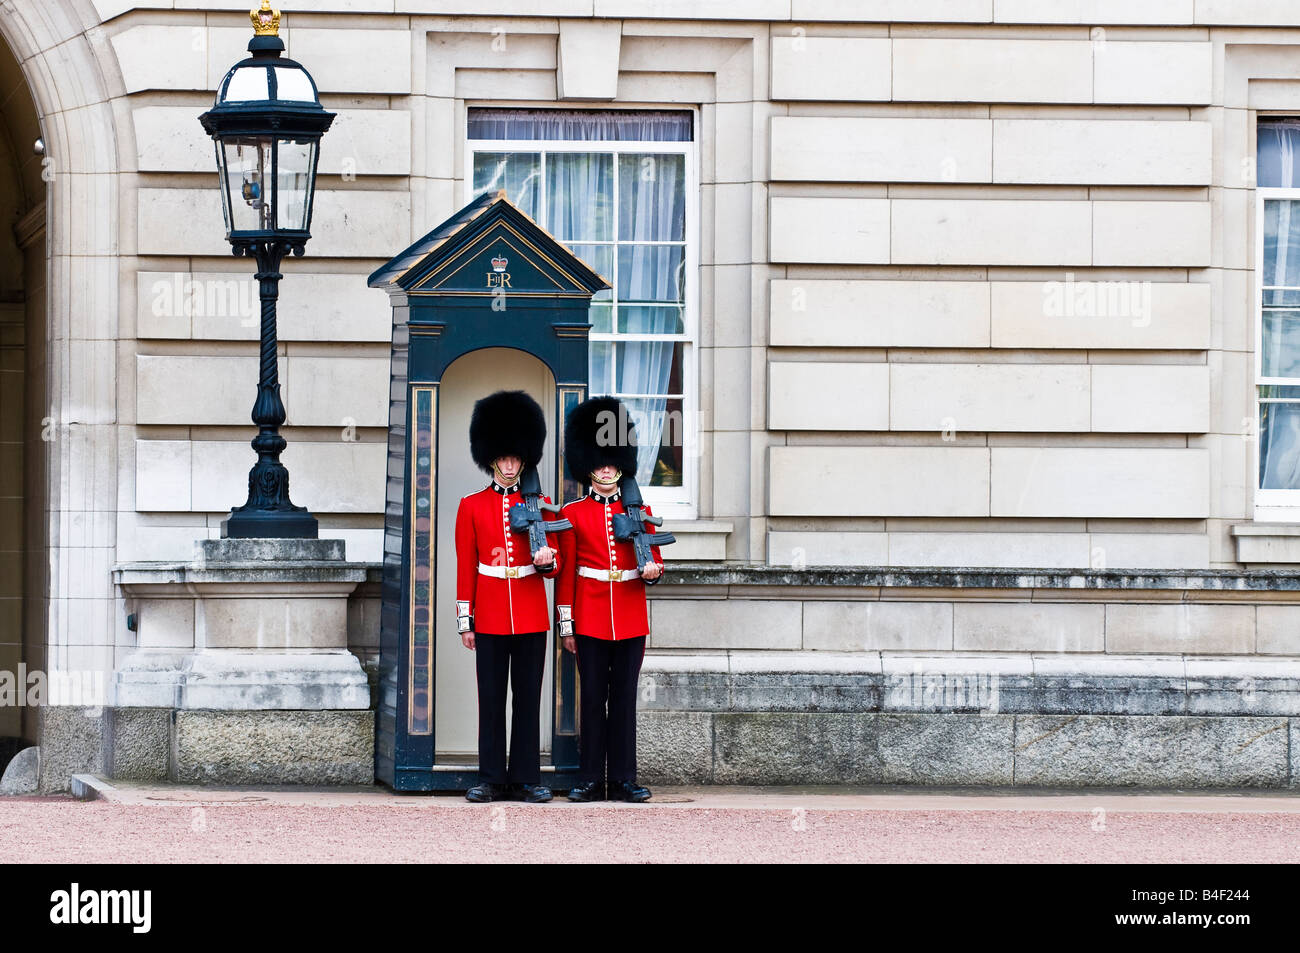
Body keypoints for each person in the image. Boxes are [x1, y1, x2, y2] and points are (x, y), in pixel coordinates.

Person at [555, 397, 664, 803]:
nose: (605, 469)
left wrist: (653, 569)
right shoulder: (574, 512)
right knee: (591, 700)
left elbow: (655, 558)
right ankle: (588, 779)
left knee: (623, 702)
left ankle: (622, 779)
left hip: (631, 618)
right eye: (599, 463)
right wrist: (567, 626)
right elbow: (565, 574)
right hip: (590, 619)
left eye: (611, 462)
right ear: (590, 465)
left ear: (621, 465)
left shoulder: (640, 508)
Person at [455, 390, 561, 804]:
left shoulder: (543, 505)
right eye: (504, 457)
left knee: (528, 700)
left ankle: (526, 778)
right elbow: (466, 566)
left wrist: (547, 559)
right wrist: (467, 621)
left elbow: (559, 565)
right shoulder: (472, 506)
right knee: (492, 700)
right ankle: (490, 778)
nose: (511, 464)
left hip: (532, 614)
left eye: (516, 457)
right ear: (492, 458)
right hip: (492, 614)